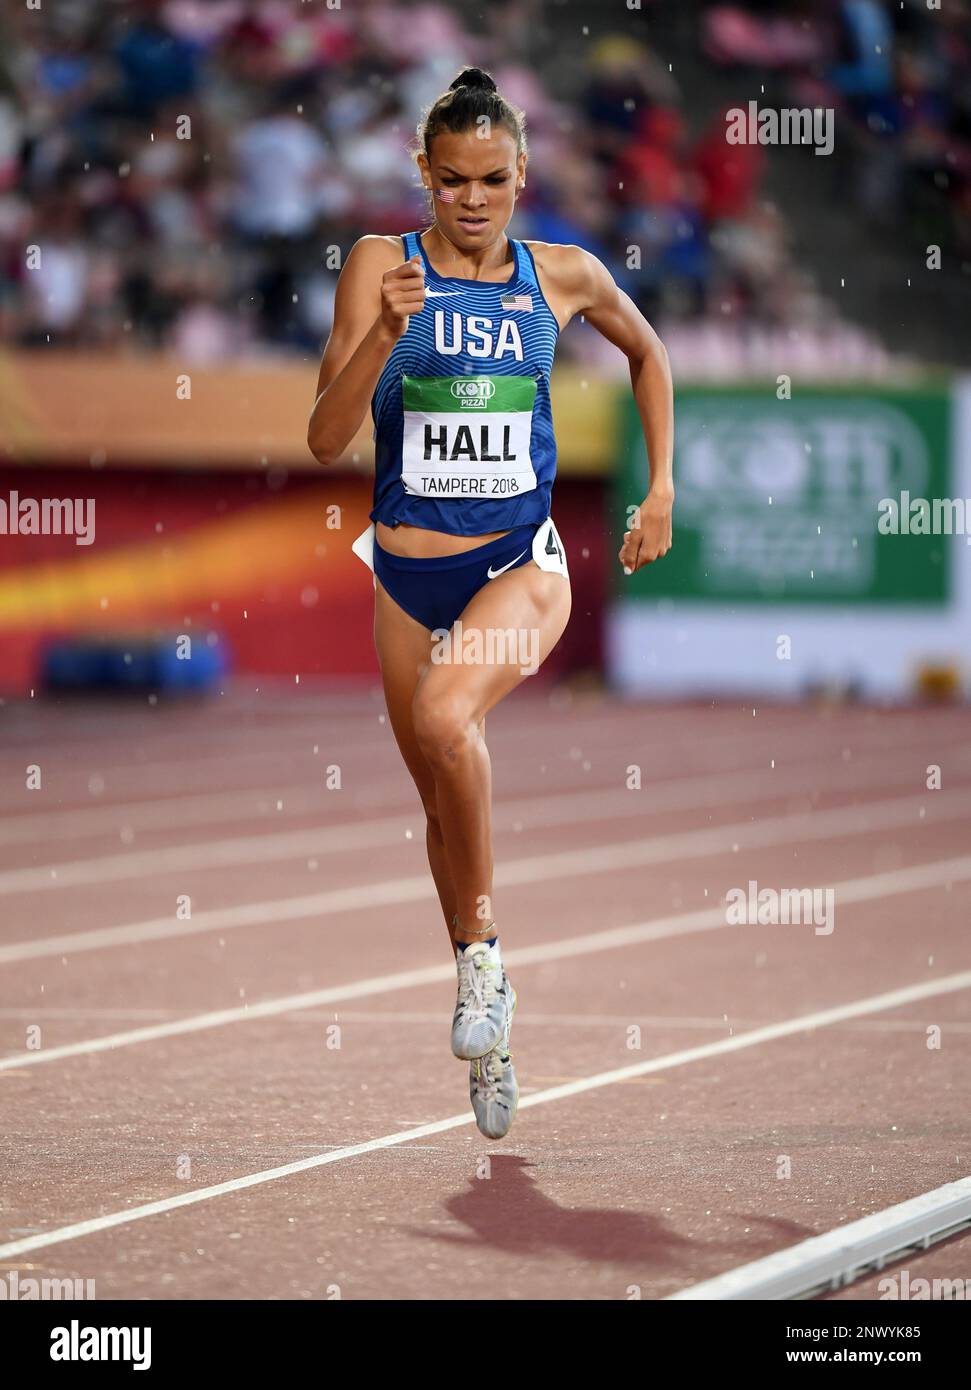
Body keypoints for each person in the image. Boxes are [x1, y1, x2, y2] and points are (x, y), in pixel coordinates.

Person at [308, 66, 674, 1140]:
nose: (472, 200)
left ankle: (477, 968)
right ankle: (493, 1004)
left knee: (440, 717)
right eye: (452, 180)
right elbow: (325, 437)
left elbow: (647, 353)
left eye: (494, 180)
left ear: (522, 175)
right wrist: (381, 334)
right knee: (438, 803)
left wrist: (661, 487)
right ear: (422, 174)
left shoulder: (560, 274)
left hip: (520, 566)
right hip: (404, 577)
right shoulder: (381, 264)